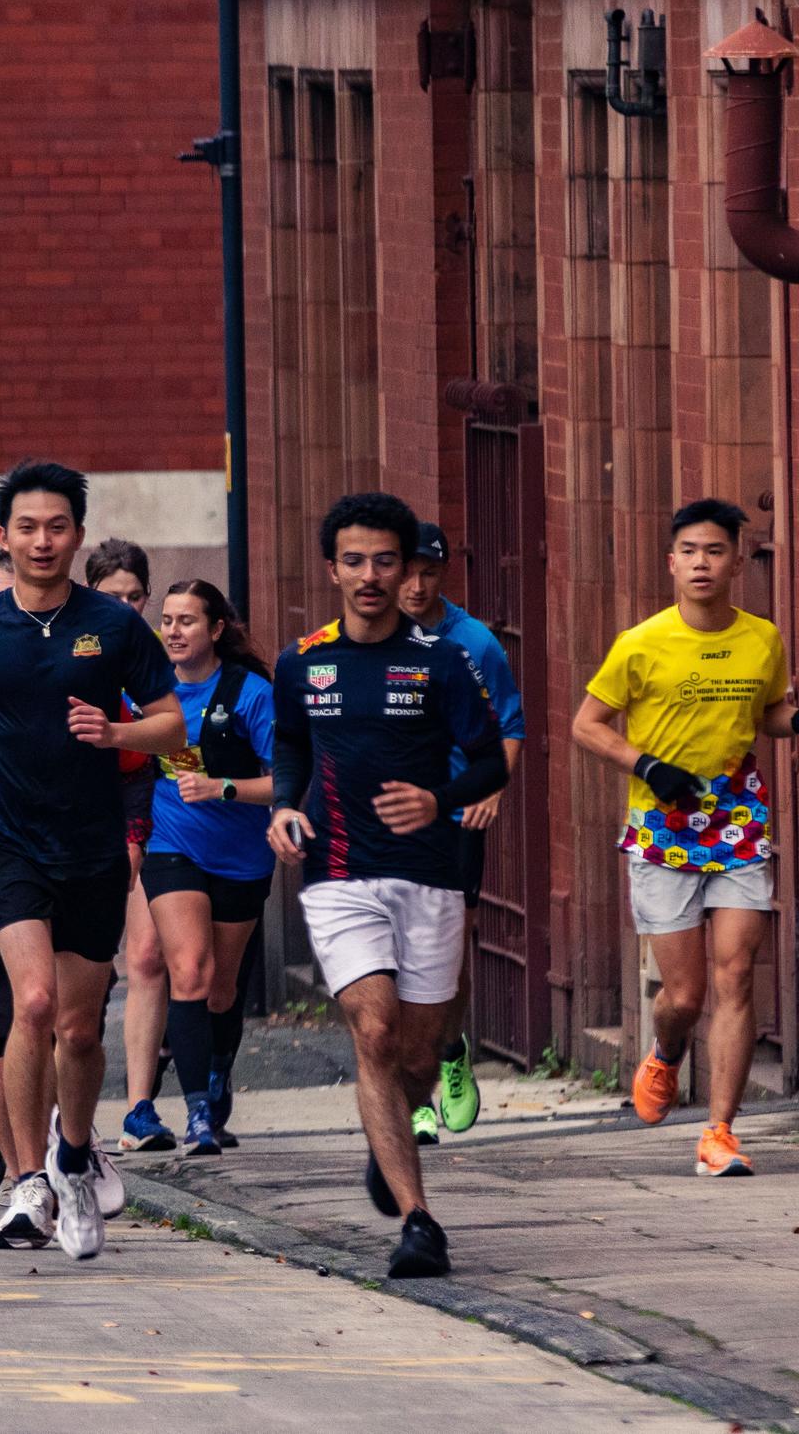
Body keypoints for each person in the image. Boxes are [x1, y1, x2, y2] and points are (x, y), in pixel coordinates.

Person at [0, 461, 182, 1261]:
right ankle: (30, 1177)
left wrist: (117, 735)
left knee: (78, 1026)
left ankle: (75, 1154)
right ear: (2, 537)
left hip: (93, 850)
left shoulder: (114, 624)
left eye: (57, 526)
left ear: (77, 535)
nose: (42, 540)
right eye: (26, 527)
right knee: (31, 1004)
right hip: (9, 844)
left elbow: (171, 724)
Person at [268, 492, 509, 1280]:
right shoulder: (303, 661)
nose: (370, 575)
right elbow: (295, 748)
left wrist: (438, 799)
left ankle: (389, 1138)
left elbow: (488, 759)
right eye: (354, 560)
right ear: (331, 567)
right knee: (372, 1030)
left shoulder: (442, 661)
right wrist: (281, 807)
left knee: (418, 1049)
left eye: (385, 560)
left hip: (429, 874)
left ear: (407, 569)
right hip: (339, 875)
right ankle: (419, 1220)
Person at [573, 498, 799, 1179]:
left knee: (738, 973)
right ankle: (665, 1053)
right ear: (672, 561)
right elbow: (587, 723)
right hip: (664, 825)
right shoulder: (640, 642)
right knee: (685, 995)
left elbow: (767, 709)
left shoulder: (762, 638)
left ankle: (719, 1132)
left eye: (715, 550)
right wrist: (645, 764)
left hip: (738, 818)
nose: (701, 562)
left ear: (737, 561)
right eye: (689, 550)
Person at [397, 522, 526, 1143]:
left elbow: (509, 724)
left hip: (453, 817)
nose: (417, 585)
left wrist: (494, 787)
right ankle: (413, 1094)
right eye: (408, 571)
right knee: (390, 957)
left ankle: (449, 1048)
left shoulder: (475, 642)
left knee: (442, 955)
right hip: (383, 819)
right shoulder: (364, 641)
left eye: (429, 572)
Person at [143, 580, 277, 1155]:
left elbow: (287, 781)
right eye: (167, 620)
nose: (173, 631)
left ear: (216, 629)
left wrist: (224, 788)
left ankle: (218, 1075)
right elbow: (156, 759)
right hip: (172, 846)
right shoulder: (151, 693)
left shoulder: (250, 693)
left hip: (242, 857)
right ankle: (197, 1114)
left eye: (187, 621)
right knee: (190, 972)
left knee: (222, 989)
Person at [86, 539, 174, 1154]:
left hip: (156, 824)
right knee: (86, 977)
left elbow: (157, 753)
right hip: (81, 827)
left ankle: (139, 1105)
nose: (124, 605)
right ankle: (72, 1104)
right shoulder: (74, 654)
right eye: (111, 596)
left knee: (145, 960)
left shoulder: (156, 658)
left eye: (134, 596)